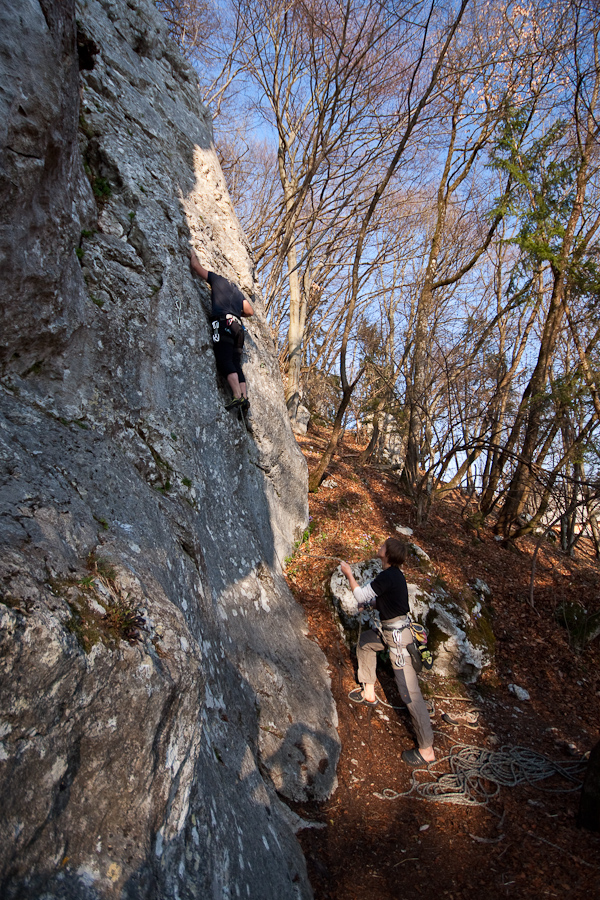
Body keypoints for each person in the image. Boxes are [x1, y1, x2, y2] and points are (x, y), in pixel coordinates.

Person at [340, 537, 435, 766]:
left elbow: (361, 594)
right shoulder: (394, 576)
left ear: (388, 554)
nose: (379, 547)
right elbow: (389, 602)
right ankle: (369, 692)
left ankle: (427, 749)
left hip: (398, 641)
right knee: (365, 642)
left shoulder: (389, 575)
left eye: (382, 546)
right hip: (391, 632)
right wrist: (373, 605)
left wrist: (349, 574)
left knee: (409, 694)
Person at [190, 249, 254, 411]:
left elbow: (196, 267)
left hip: (224, 323)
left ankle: (237, 396)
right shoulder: (237, 293)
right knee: (235, 363)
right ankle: (244, 398)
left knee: (224, 359)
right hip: (238, 328)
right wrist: (235, 312)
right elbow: (250, 311)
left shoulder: (217, 279)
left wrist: (191, 252)